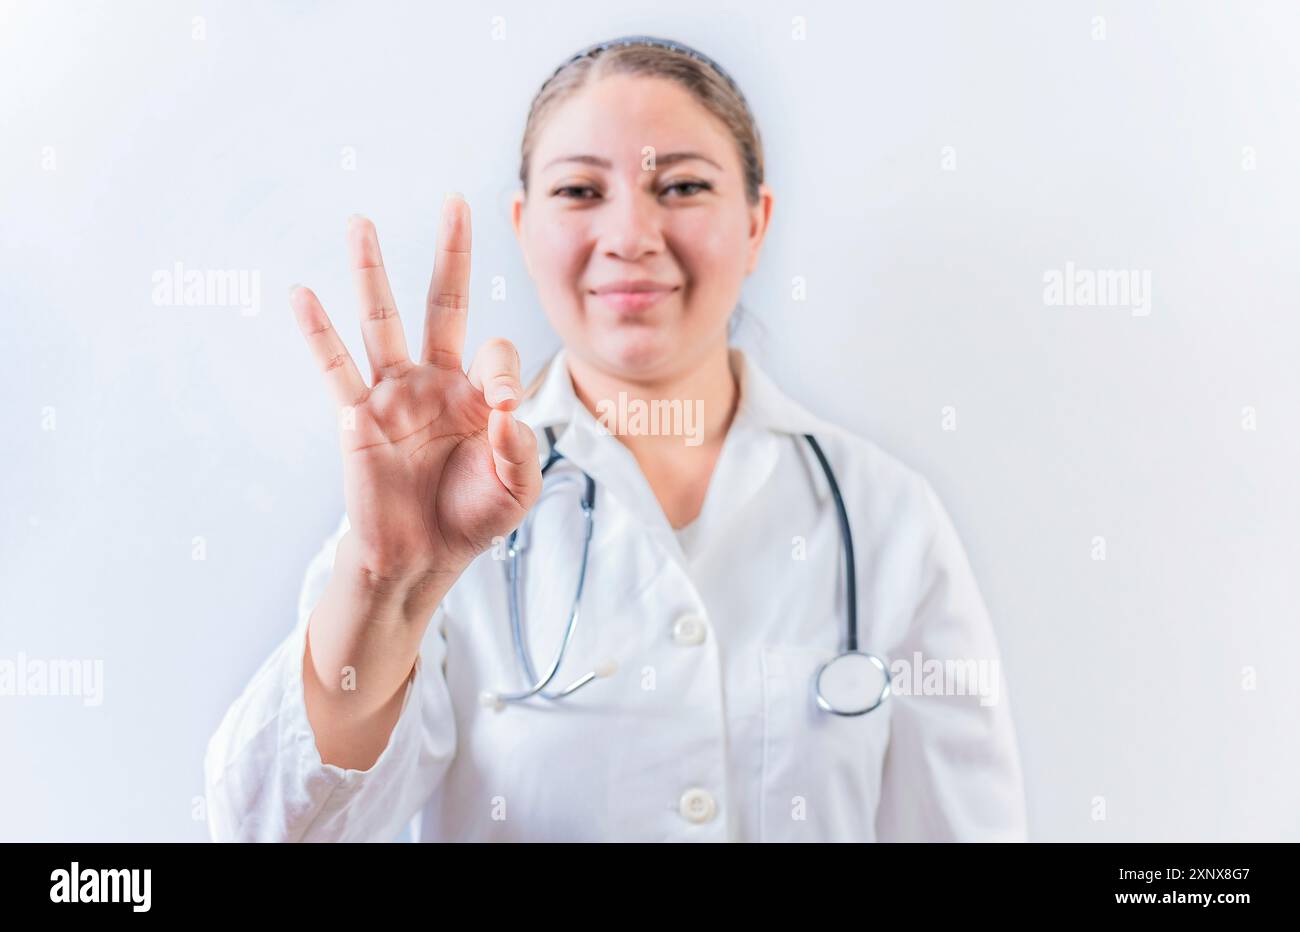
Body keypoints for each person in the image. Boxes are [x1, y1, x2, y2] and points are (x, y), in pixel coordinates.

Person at [203, 35, 1028, 842]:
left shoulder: (886, 517)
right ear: (524, 229)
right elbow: (271, 830)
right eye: (579, 192)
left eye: (681, 187)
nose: (631, 235)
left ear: (756, 223)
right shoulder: (448, 494)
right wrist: (386, 581)